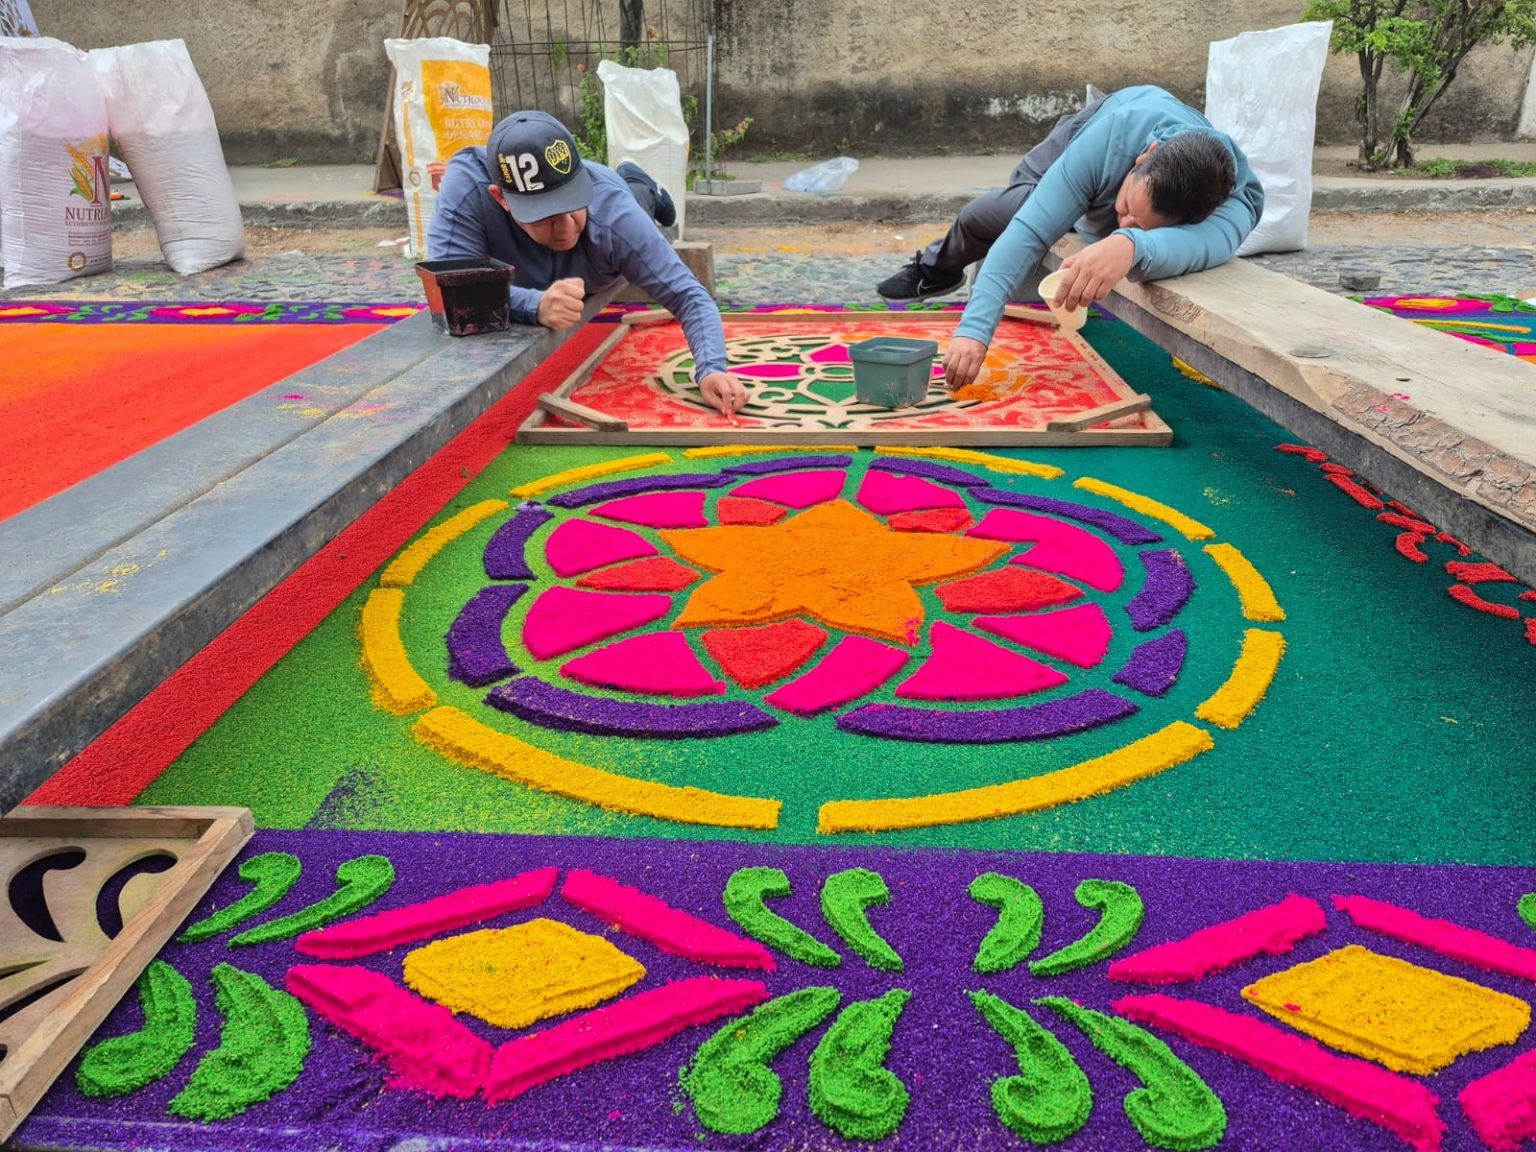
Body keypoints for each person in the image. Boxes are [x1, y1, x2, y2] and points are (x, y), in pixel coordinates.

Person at [874, 86, 1264, 390]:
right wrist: (974, 331)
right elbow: (1027, 232)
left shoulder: (1236, 202)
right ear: (1145, 156)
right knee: (989, 213)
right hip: (1094, 130)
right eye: (1128, 205)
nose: (1125, 221)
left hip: (1111, 176)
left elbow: (1202, 245)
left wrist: (1130, 245)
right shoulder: (1113, 136)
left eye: (1142, 224)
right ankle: (936, 268)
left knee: (1077, 220)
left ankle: (1081, 212)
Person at [428, 110, 748, 415]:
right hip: (539, 271)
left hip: (610, 231)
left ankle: (642, 185)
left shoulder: (612, 212)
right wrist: (533, 305)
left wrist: (711, 368)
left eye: (572, 203)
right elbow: (452, 291)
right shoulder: (468, 187)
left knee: (635, 207)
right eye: (545, 215)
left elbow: (688, 294)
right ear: (501, 199)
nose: (566, 227)